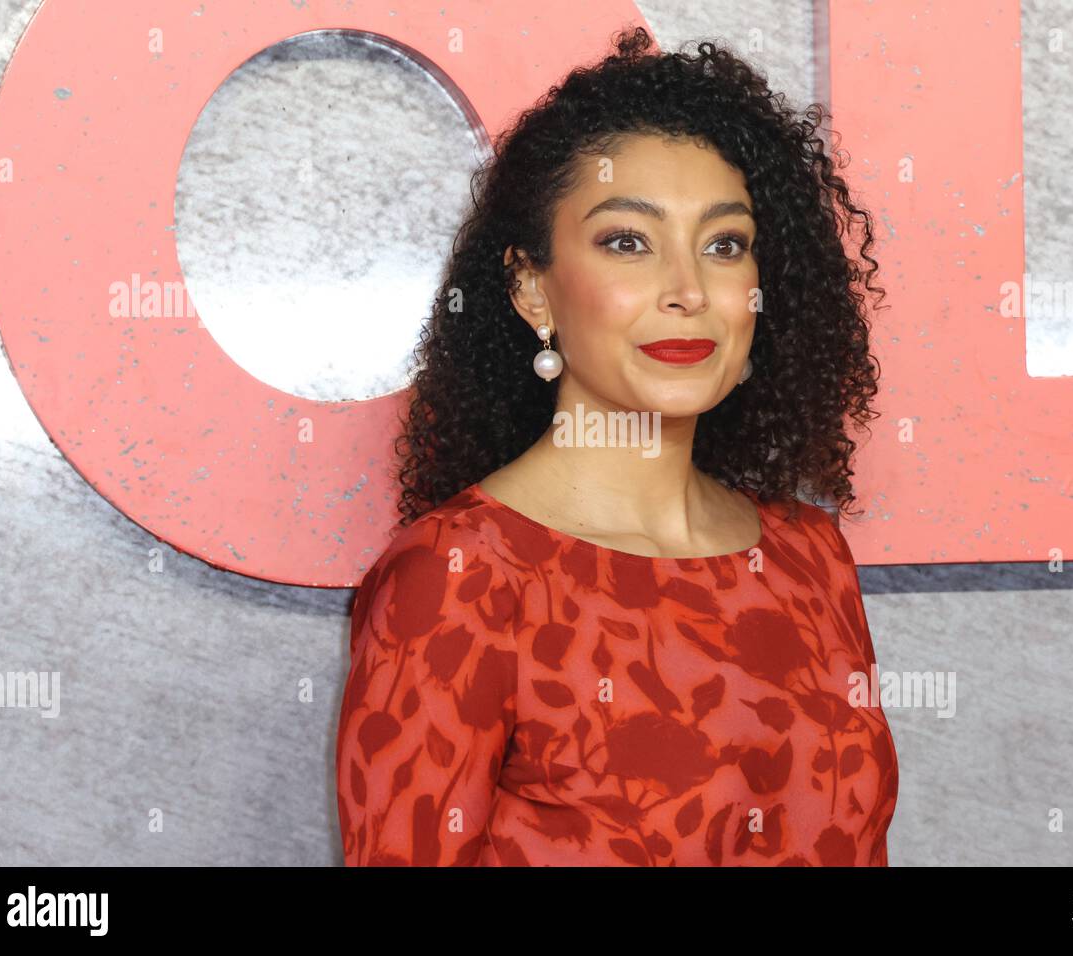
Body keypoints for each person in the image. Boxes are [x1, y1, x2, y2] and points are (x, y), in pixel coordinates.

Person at [336, 26, 896, 866]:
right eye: (627, 242)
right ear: (533, 288)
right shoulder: (457, 581)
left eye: (724, 244)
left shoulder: (811, 560)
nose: (687, 291)